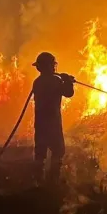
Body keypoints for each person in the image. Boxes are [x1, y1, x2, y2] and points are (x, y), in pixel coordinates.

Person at [31, 52, 74, 183]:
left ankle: (38, 180)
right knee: (58, 151)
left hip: (40, 123)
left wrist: (65, 80)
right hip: (53, 123)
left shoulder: (37, 82)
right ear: (50, 66)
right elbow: (68, 93)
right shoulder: (55, 81)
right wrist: (68, 81)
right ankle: (53, 180)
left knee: (40, 152)